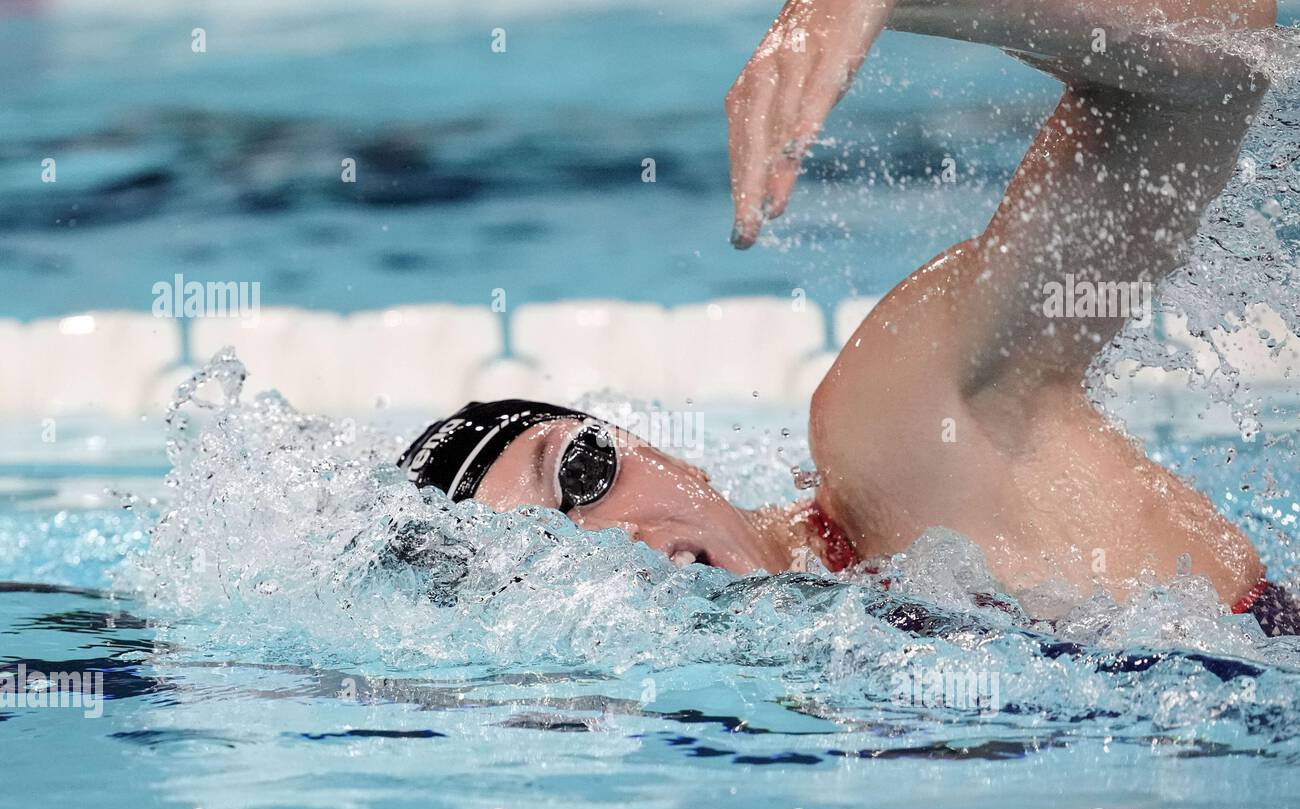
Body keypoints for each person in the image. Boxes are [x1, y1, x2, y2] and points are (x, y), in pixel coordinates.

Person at [400, 0, 1300, 635]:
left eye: (586, 473)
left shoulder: (899, 431)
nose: (619, 542)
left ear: (660, 447)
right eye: (541, 562)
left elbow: (1215, 57)